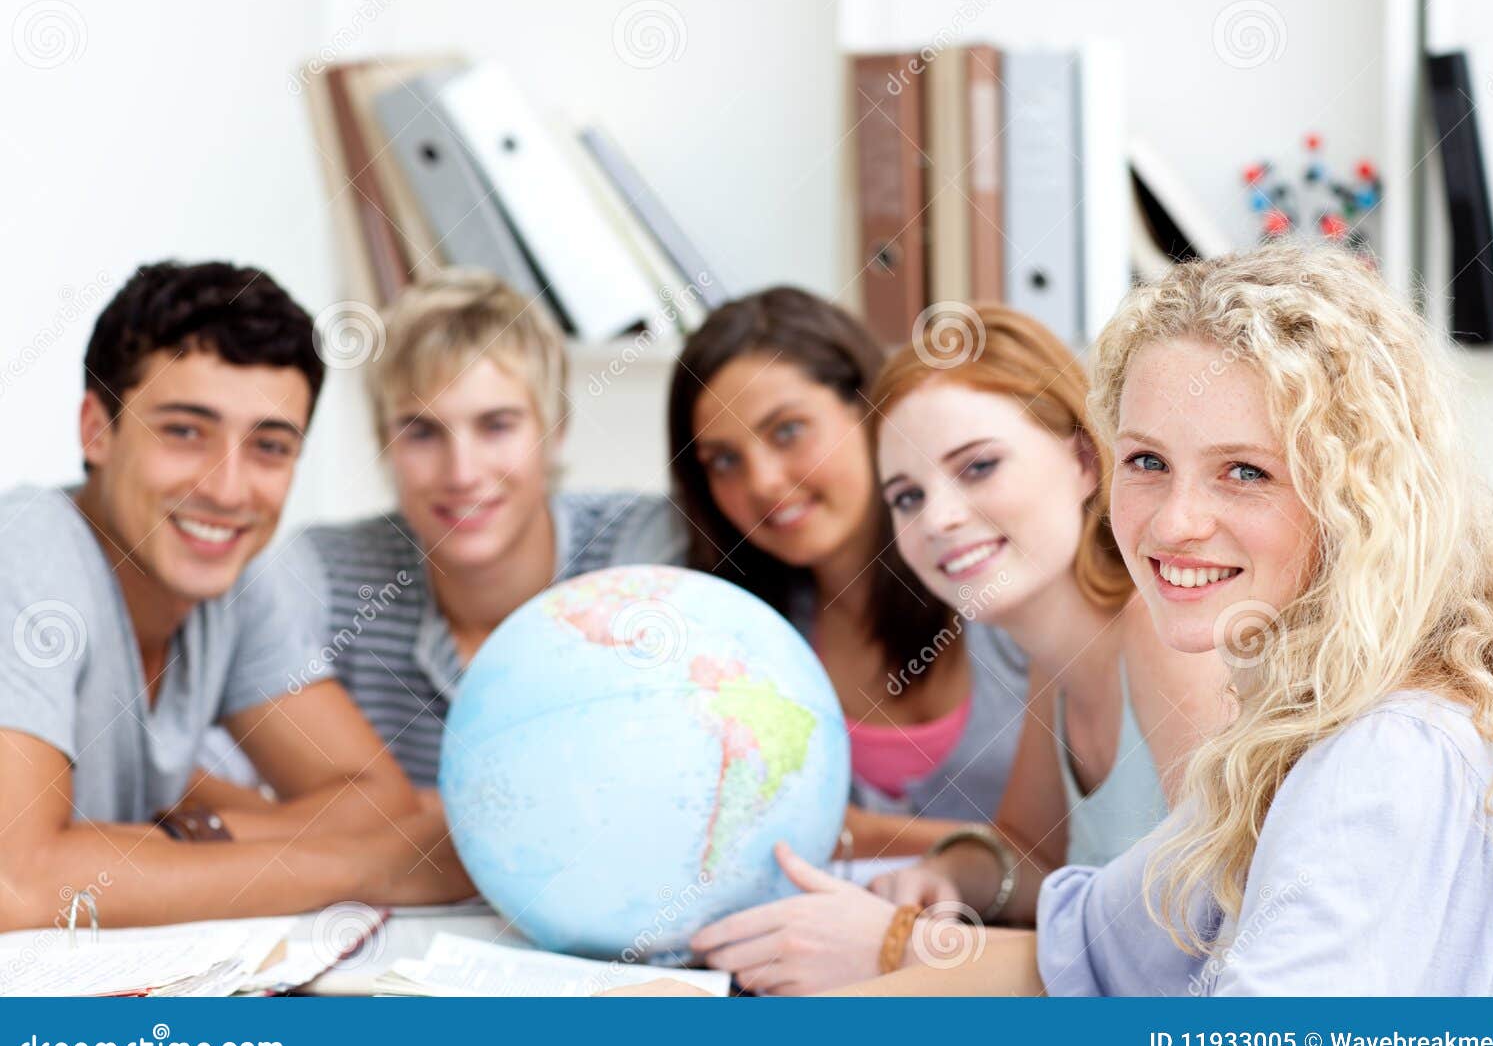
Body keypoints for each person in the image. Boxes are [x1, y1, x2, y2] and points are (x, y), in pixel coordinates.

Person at [615, 243, 1493, 996]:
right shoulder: (1281, 735)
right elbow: (1093, 936)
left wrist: (888, 950)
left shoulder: (1384, 753)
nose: (1173, 520)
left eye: (1244, 470)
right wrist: (917, 925)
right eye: (1148, 461)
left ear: (1361, 495)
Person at [686, 305, 1230, 993]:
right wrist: (946, 873)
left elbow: (1208, 937)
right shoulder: (1052, 656)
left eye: (977, 467)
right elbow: (1030, 851)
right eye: (907, 496)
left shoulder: (1164, 632)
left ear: (1086, 458)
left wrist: (903, 948)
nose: (938, 518)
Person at [0, 261, 469, 930]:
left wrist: (187, 836)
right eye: (186, 430)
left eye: (270, 446)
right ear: (96, 429)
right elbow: (16, 881)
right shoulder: (25, 549)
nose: (227, 489)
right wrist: (366, 869)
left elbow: (374, 803)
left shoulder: (232, 576)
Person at [206, 268, 685, 792]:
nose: (462, 472)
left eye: (497, 426)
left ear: (555, 430)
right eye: (422, 432)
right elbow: (199, 762)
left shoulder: (639, 554)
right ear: (383, 442)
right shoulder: (326, 572)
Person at [667, 288, 1031, 862]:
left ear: (871, 411)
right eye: (724, 460)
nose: (761, 481)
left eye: (787, 431)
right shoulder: (733, 636)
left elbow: (1087, 851)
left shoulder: (1001, 580)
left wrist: (849, 831)